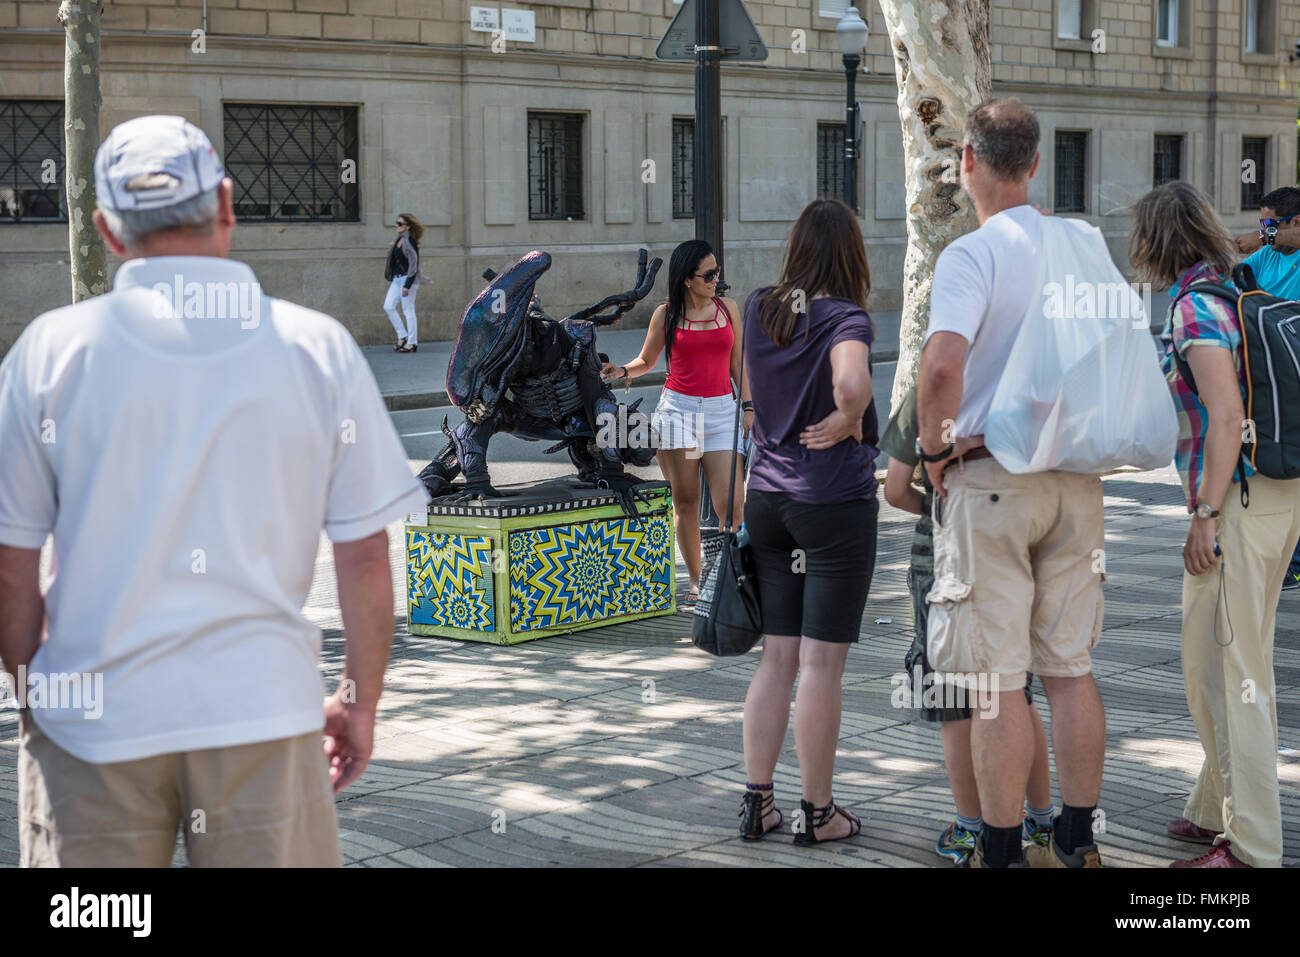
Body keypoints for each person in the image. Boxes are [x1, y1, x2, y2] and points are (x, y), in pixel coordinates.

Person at [0, 115, 429, 867]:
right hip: (260, 718)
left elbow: (10, 563)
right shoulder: (316, 347)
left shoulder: (48, 352)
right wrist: (358, 703)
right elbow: (364, 558)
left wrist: (36, 691)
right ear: (226, 204)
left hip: (92, 728)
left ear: (105, 229)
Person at [916, 98, 1107, 868]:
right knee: (1069, 668)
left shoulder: (969, 255)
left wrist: (932, 450)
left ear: (967, 161)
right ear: (1035, 165)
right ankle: (1078, 838)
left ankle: (1000, 850)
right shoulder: (1084, 243)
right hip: (1075, 476)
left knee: (994, 678)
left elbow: (939, 365)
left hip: (992, 476)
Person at [1131, 181, 1300, 868]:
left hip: (1237, 502)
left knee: (1225, 673)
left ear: (1154, 242)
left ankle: (1252, 845)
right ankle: (1213, 808)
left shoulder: (1198, 307)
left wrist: (1204, 513)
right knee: (1230, 661)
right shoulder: (1238, 287)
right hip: (1275, 498)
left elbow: (1226, 415)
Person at [737, 199, 877, 845]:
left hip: (766, 499)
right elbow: (850, 382)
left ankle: (757, 801)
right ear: (851, 255)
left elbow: (747, 393)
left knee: (777, 658)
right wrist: (850, 414)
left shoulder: (761, 306)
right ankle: (819, 813)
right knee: (820, 667)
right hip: (831, 504)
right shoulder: (846, 316)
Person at [879, 384, 1056, 866]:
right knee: (1014, 693)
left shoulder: (930, 391)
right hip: (1012, 552)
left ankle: (971, 829)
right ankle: (1041, 824)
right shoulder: (1024, 384)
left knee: (952, 701)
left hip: (940, 561)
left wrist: (938, 512)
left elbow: (894, 489)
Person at [602, 240, 749, 603]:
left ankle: (732, 575)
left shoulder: (727, 309)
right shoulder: (666, 314)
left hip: (721, 413)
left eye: (717, 272)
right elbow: (646, 360)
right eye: (708, 274)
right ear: (687, 279)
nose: (717, 279)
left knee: (731, 504)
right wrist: (621, 370)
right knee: (685, 501)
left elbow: (738, 364)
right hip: (679, 415)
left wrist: (749, 408)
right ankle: (698, 582)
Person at [1231, 186, 1300, 593]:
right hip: (1273, 378)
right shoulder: (1266, 255)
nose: (1263, 231)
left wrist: (1264, 235)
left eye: (1272, 223)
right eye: (1262, 222)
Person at [384, 212, 427, 353]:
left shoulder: (410, 242)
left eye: (400, 224)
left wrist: (407, 285)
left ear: (408, 227)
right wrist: (393, 247)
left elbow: (414, 264)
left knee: (408, 310)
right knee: (388, 306)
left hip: (408, 279)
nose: (396, 225)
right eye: (396, 223)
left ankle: (412, 342)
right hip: (397, 279)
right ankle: (402, 336)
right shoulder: (399, 239)